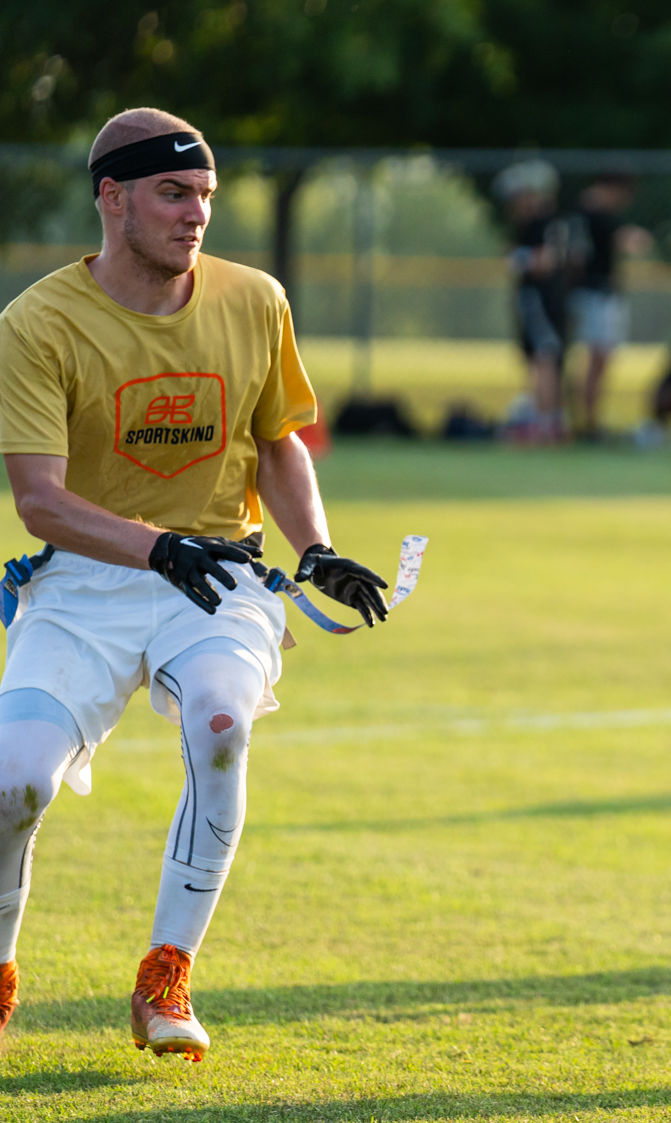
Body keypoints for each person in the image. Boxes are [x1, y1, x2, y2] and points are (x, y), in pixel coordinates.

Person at [0, 109, 392, 1057]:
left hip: (214, 574)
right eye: (174, 194)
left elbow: (278, 441)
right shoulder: (37, 321)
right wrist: (153, 545)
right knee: (12, 781)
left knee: (221, 719)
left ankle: (165, 977)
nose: (196, 215)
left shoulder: (255, 299)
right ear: (113, 197)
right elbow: (39, 502)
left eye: (206, 196)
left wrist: (317, 548)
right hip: (83, 583)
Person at [565, 173, 649, 442]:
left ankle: (587, 419)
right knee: (598, 357)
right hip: (596, 294)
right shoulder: (597, 216)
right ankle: (588, 421)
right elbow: (627, 241)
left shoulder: (577, 213)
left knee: (594, 358)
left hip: (586, 293)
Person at [498, 161, 571, 445]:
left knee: (544, 358)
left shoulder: (542, 223)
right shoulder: (539, 223)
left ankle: (545, 423)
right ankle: (548, 418)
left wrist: (517, 259)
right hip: (543, 298)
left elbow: (545, 261)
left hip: (540, 298)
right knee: (540, 358)